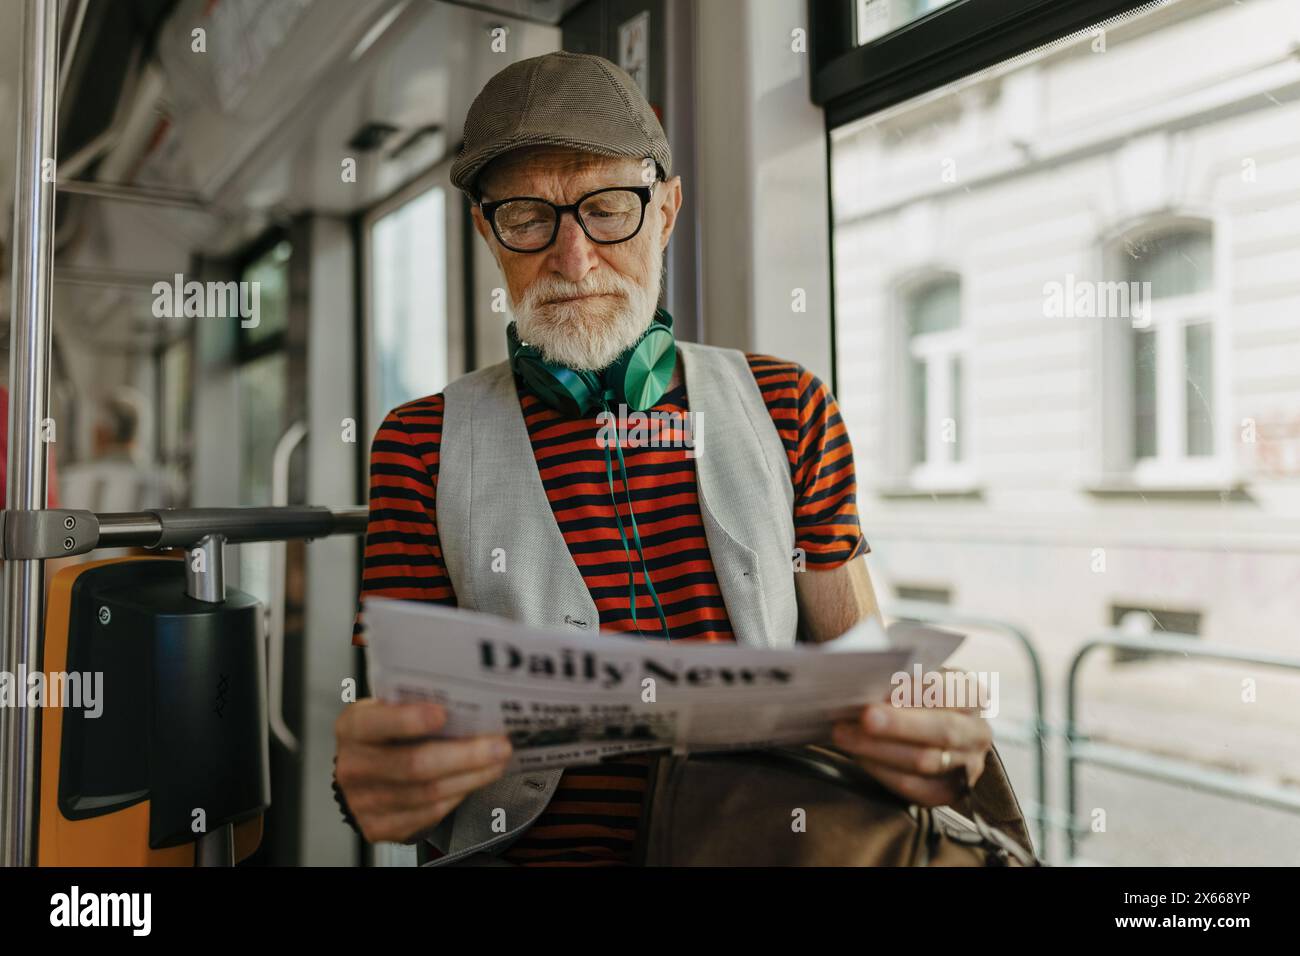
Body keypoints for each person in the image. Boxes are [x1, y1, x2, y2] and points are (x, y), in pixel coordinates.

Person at [334, 51, 993, 865]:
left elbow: (872, 682)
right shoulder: (418, 445)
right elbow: (401, 744)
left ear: (668, 211)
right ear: (487, 230)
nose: (572, 260)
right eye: (528, 218)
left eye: (609, 209)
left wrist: (929, 736)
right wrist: (376, 785)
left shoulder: (790, 407)